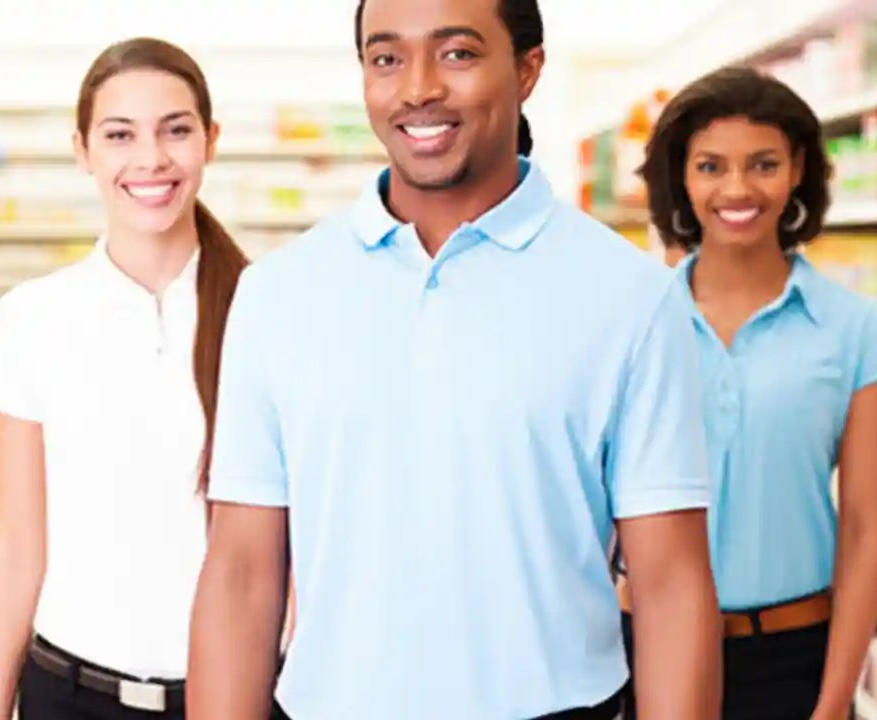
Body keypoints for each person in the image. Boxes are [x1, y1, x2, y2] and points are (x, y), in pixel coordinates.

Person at [186, 0, 722, 718]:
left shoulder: (632, 299)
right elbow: (242, 574)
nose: (417, 88)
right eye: (386, 58)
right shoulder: (277, 295)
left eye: (457, 53)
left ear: (527, 69)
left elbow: (670, 583)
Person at [619, 66, 877, 720]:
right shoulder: (632, 319)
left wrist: (834, 701)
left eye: (763, 164)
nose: (737, 189)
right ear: (681, 176)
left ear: (798, 168)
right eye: (711, 166)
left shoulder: (858, 332)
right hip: (642, 648)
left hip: (793, 657)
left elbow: (865, 531)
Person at [0, 37, 247, 720]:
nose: (150, 159)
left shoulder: (267, 311)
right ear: (83, 149)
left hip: (236, 696)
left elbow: (297, 548)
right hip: (70, 697)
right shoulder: (30, 319)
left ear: (210, 141)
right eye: (120, 134)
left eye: (176, 130)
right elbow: (15, 547)